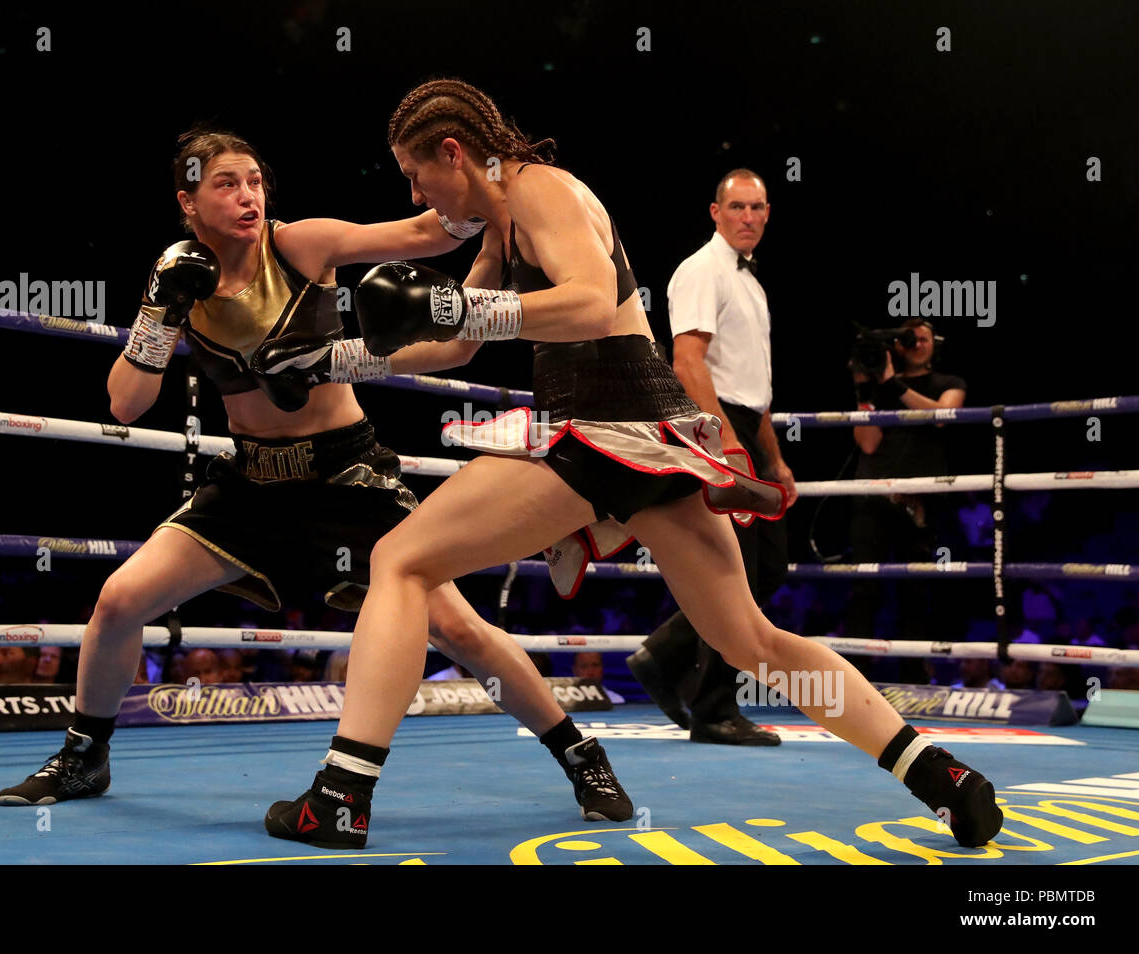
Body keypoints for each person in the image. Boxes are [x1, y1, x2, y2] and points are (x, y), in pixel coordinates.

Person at [262, 79, 1003, 851]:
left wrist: (464, 307)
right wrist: (332, 359)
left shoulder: (542, 190)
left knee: (400, 561)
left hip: (596, 427)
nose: (415, 194)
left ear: (454, 152)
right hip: (641, 436)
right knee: (751, 640)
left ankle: (342, 794)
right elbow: (455, 344)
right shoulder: (501, 226)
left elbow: (588, 302)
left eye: (416, 174)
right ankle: (937, 774)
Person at [0, 128, 632, 823]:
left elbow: (426, 233)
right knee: (120, 599)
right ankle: (84, 756)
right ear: (189, 201)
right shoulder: (181, 277)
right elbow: (125, 403)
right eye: (226, 185)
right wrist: (158, 311)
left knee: (459, 630)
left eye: (254, 181)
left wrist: (483, 192)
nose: (247, 196)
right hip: (248, 484)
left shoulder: (299, 244)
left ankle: (582, 758)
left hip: (345, 475)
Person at [628, 168, 796, 745]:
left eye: (757, 207)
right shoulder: (702, 269)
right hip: (715, 423)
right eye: (737, 207)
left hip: (745, 424)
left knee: (768, 565)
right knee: (736, 568)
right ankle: (714, 708)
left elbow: (757, 389)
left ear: (768, 213)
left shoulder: (751, 282)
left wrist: (773, 461)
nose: (748, 217)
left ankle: (663, 655)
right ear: (715, 212)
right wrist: (723, 442)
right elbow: (688, 363)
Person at [849, 318, 967, 682]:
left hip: (919, 501)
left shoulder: (950, 384)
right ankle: (855, 678)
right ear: (896, 346)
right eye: (909, 338)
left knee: (915, 590)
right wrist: (864, 390)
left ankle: (913, 678)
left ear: (936, 344)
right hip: (873, 494)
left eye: (924, 338)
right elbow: (868, 443)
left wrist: (891, 383)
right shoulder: (878, 387)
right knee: (864, 586)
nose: (917, 343)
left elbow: (941, 417)